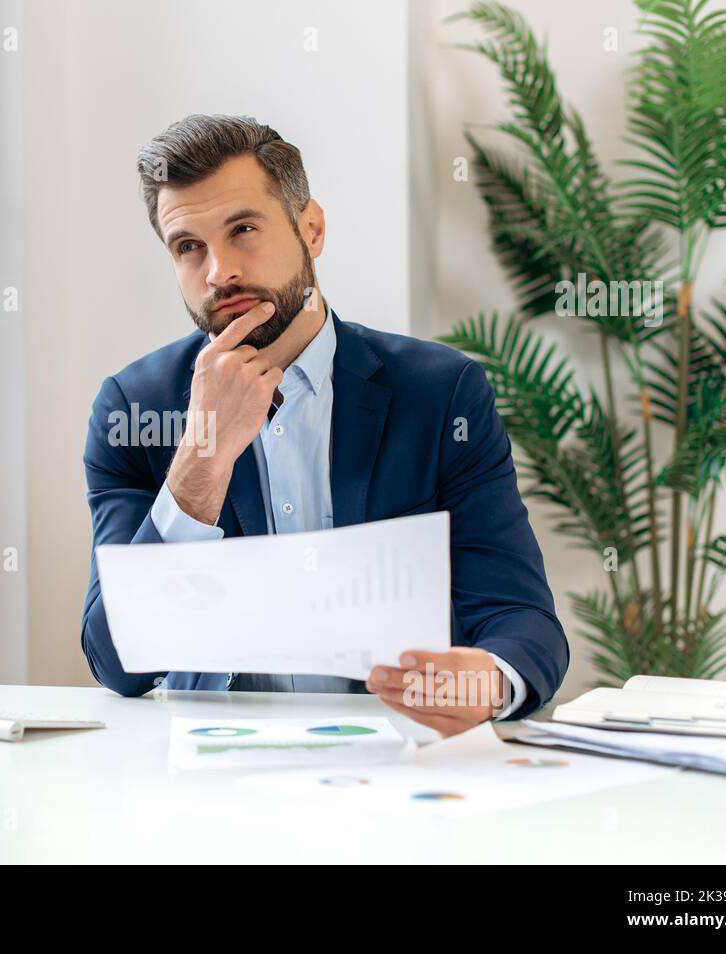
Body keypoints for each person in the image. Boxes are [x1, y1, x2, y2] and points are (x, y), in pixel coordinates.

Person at [80, 114, 568, 735]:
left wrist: (485, 680)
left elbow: (520, 616)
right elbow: (116, 663)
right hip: (218, 784)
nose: (217, 272)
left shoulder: (441, 394)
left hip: (398, 763)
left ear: (311, 229)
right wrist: (201, 459)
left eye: (244, 230)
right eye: (189, 246)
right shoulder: (133, 408)